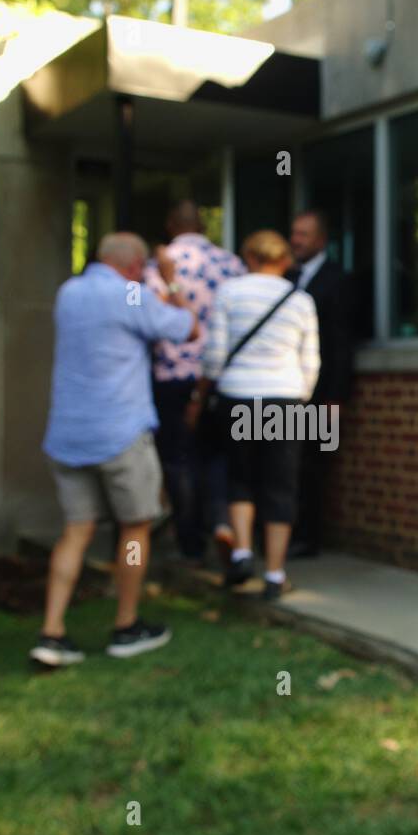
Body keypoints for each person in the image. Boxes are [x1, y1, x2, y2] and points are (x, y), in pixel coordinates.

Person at [32, 232, 199, 667]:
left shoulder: (68, 292)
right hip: (120, 433)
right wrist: (171, 283)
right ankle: (126, 626)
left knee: (76, 530)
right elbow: (189, 328)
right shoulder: (132, 293)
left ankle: (52, 634)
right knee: (135, 528)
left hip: (68, 435)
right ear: (134, 266)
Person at [201, 230, 319, 601]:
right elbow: (310, 361)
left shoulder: (229, 293)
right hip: (285, 398)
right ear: (284, 260)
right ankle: (274, 574)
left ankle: (240, 553)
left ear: (247, 257)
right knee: (281, 485)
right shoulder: (300, 300)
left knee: (241, 478)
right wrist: (300, 398)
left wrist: (214, 387)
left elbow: (215, 355)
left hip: (237, 396)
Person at [142, 201, 245, 565]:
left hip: (172, 376)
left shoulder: (159, 265)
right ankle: (219, 523)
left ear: (171, 225)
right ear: (202, 225)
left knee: (178, 458)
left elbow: (150, 316)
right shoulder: (232, 263)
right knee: (217, 454)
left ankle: (190, 543)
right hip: (220, 377)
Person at [286, 210, 356, 558]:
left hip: (321, 392)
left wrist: (336, 397)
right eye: (294, 233)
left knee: (311, 467)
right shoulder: (287, 277)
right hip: (288, 388)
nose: (296, 240)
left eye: (304, 235)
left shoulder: (336, 280)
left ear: (321, 240)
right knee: (287, 463)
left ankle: (307, 537)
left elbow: (341, 343)